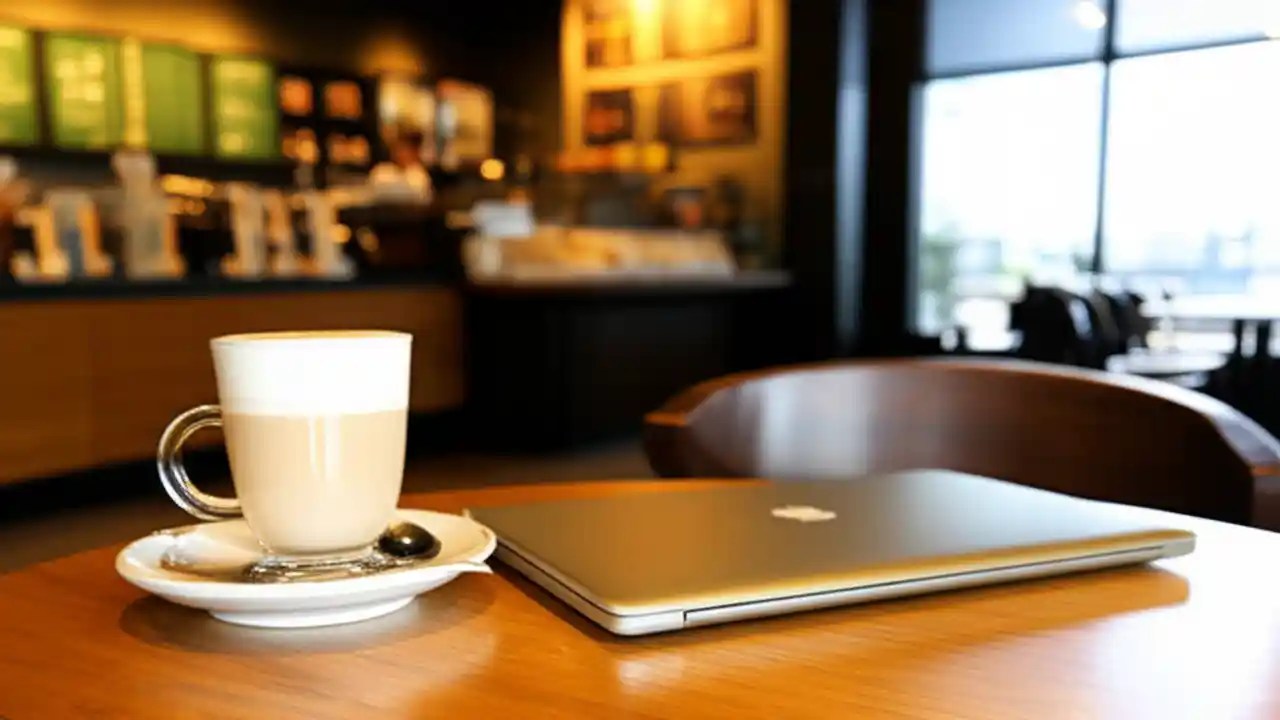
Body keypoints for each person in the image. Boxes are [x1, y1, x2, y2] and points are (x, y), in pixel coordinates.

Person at [370, 127, 433, 201]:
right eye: (398, 148)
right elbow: (376, 189)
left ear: (414, 152)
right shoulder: (381, 170)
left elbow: (416, 191)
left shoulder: (420, 174)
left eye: (405, 149)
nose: (400, 153)